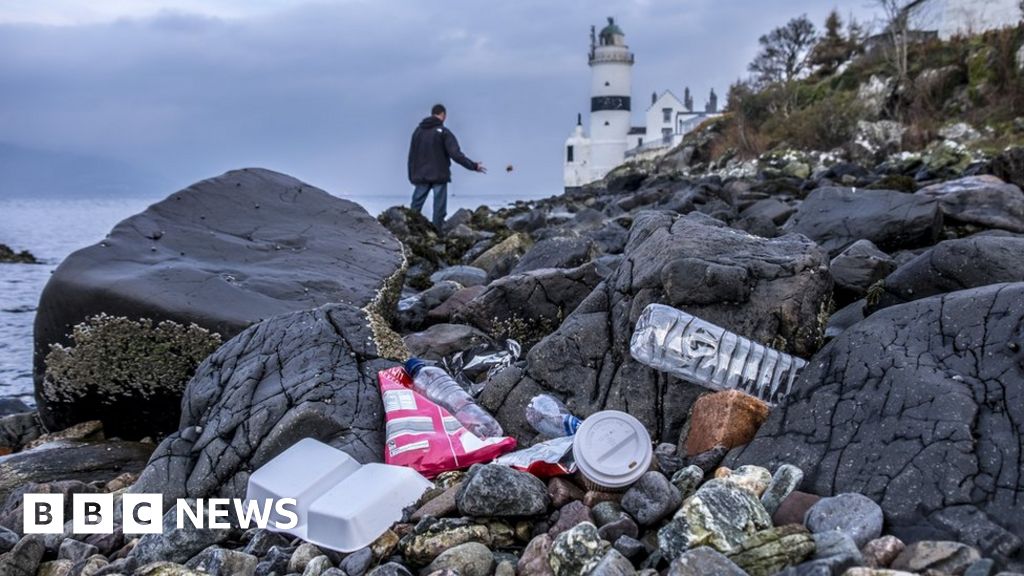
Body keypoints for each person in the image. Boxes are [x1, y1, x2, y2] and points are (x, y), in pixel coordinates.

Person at [408, 104, 486, 232]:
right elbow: (455, 154)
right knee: (439, 207)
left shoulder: (418, 132)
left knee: (415, 205)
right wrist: (473, 166)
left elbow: (412, 156)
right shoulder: (444, 132)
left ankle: (409, 229)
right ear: (443, 115)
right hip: (439, 175)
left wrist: (411, 176)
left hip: (420, 175)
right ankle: (437, 232)